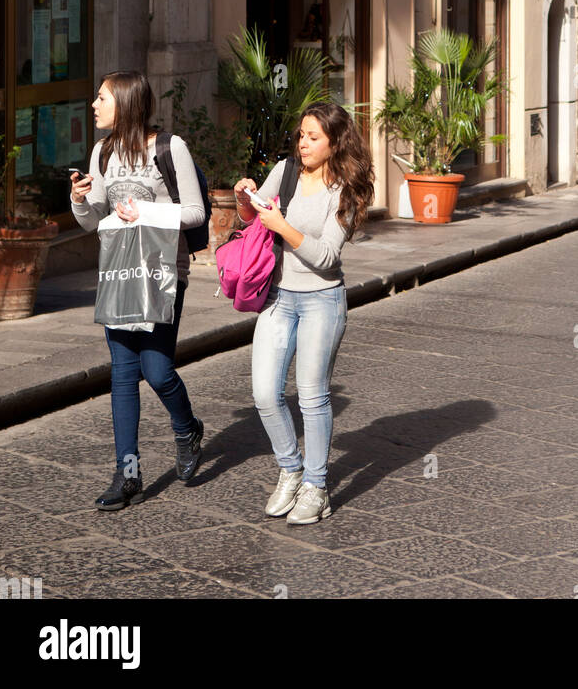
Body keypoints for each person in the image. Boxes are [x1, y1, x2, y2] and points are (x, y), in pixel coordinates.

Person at [70, 72, 206, 511]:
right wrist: (79, 200)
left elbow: (196, 212)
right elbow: (95, 221)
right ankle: (127, 473)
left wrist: (142, 210)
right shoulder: (102, 152)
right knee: (123, 374)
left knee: (158, 370)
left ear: (125, 103)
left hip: (165, 270)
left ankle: (186, 429)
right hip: (120, 271)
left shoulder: (170, 147)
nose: (94, 104)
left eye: (102, 97)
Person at [235, 102, 374, 525]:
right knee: (264, 394)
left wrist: (282, 226)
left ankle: (317, 486)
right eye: (301, 135)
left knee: (312, 396)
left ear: (335, 142)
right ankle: (290, 469)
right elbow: (257, 219)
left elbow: (327, 255)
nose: (304, 143)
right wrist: (246, 201)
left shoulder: (348, 189)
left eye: (314, 137)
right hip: (278, 296)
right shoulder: (287, 170)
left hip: (321, 301)